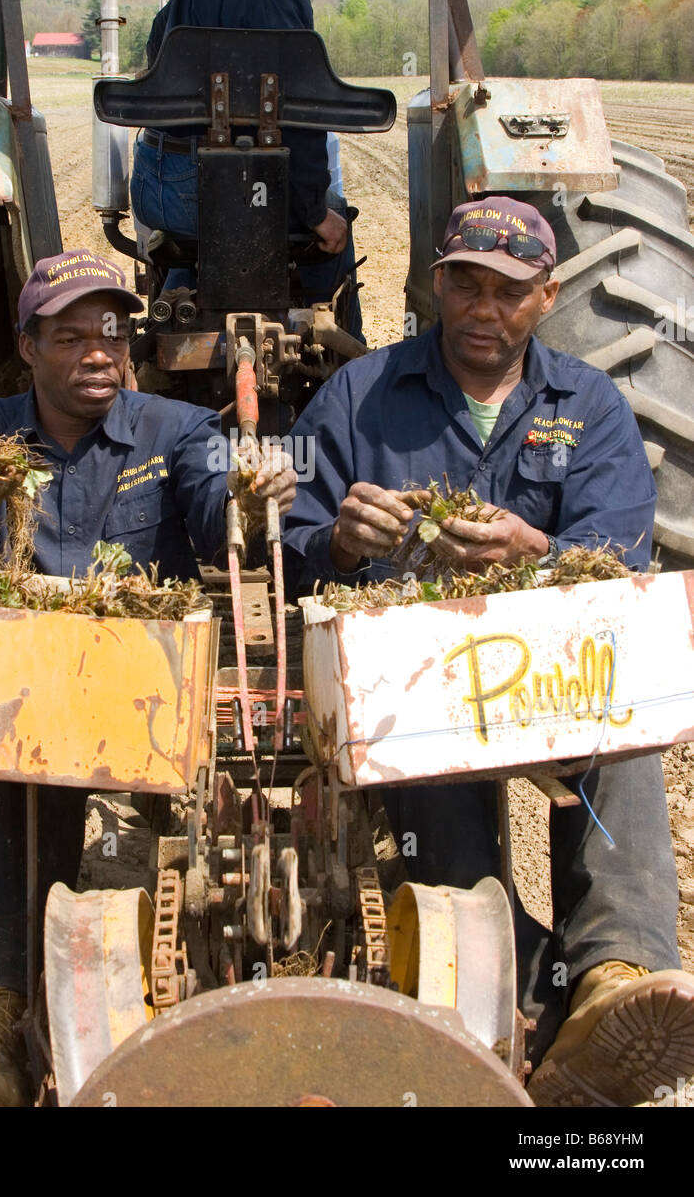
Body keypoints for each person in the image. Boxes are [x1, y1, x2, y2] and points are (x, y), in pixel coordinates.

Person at [282, 195, 694, 1107]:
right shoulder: (358, 394)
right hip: (414, 685)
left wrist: (538, 552)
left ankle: (616, 976)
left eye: (508, 292)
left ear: (546, 298)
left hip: (547, 673)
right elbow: (288, 528)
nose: (483, 310)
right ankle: (535, 1001)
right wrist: (343, 540)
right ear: (436, 287)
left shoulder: (588, 405)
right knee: (446, 814)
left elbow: (621, 555)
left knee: (622, 738)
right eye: (464, 286)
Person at [0, 249, 296, 1108]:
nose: (99, 352)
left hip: (145, 688)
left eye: (113, 333)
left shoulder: (175, 430)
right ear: (26, 346)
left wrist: (249, 494)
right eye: (70, 336)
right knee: (12, 771)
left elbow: (212, 494)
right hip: (18, 690)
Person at [130, 0, 366, 338]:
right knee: (335, 236)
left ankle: (177, 311)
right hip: (208, 193)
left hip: (159, 182)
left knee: (196, 247)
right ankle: (341, 365)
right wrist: (316, 215)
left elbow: (159, 40)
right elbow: (297, 122)